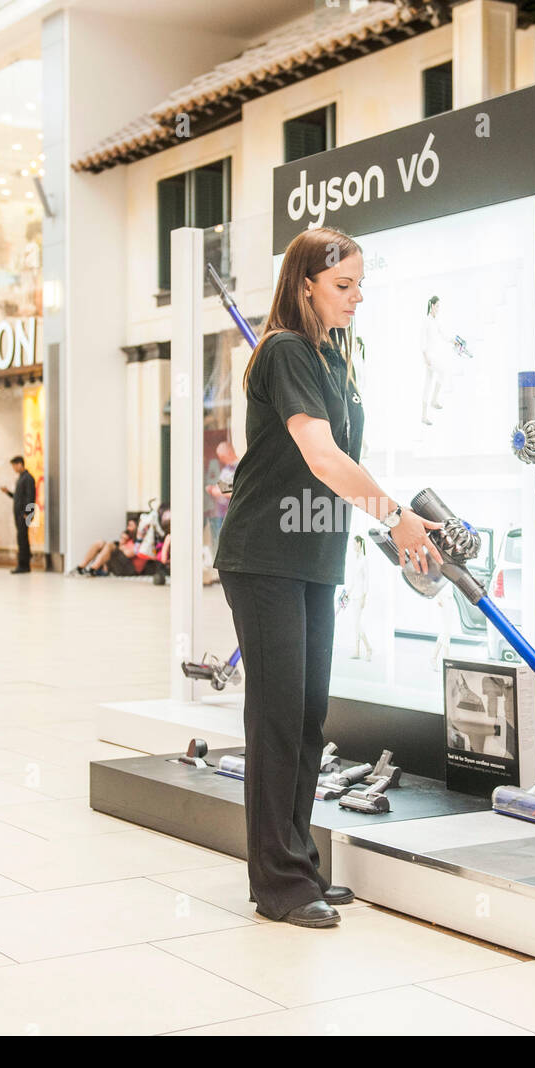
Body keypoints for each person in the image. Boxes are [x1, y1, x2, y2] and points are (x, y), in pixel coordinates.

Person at [212, 226, 442, 928]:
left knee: (308, 716)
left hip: (312, 553)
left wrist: (387, 524)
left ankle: (298, 864)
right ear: (305, 282)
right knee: (277, 717)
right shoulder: (283, 350)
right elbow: (318, 455)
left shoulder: (332, 356)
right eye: (344, 285)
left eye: (360, 285)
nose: (357, 297)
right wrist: (396, 514)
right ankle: (277, 885)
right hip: (263, 554)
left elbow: (339, 466)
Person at [0, 456, 35, 573]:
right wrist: (8, 493)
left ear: (20, 464)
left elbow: (31, 497)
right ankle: (24, 563)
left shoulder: (28, 478)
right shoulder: (20, 478)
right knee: (21, 538)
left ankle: (23, 565)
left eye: (15, 465)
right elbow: (18, 497)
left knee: (22, 538)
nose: (14, 468)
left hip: (24, 515)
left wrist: (28, 513)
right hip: (19, 514)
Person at [420, 294, 450, 426]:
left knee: (428, 383)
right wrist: (425, 356)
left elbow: (443, 334)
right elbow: (422, 340)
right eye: (437, 306)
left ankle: (423, 416)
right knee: (443, 371)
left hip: (433, 356)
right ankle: (433, 400)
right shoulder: (427, 320)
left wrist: (453, 341)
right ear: (432, 306)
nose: (438, 308)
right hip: (429, 357)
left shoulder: (435, 320)